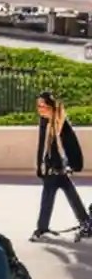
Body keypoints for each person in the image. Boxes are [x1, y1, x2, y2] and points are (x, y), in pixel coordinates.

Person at [33, 91, 92, 241]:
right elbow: (42, 144)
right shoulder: (44, 121)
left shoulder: (60, 121)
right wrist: (39, 165)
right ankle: (85, 222)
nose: (40, 109)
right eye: (38, 106)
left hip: (60, 167)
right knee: (66, 195)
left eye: (43, 106)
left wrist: (74, 165)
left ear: (51, 106)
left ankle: (42, 228)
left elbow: (71, 144)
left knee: (51, 196)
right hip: (51, 167)